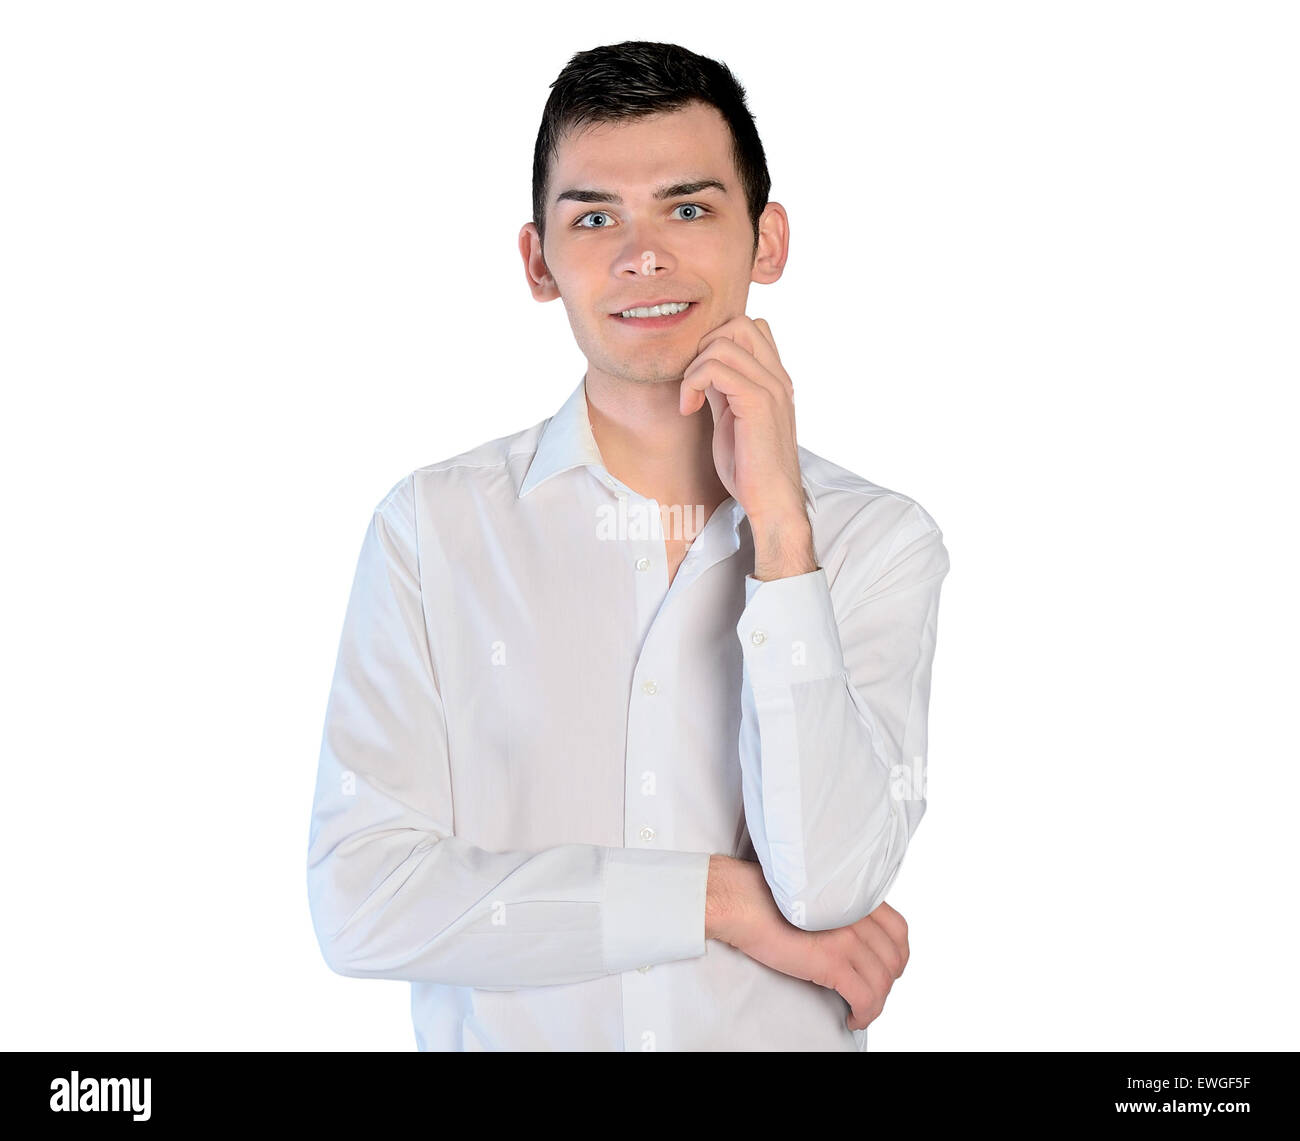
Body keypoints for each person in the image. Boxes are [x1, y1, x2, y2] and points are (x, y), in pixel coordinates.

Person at [306, 40, 950, 1051]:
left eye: (688, 209)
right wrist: (713, 901)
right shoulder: (433, 531)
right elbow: (361, 898)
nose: (642, 255)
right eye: (595, 216)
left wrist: (781, 531)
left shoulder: (876, 540)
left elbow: (828, 882)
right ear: (537, 261)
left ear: (765, 239)